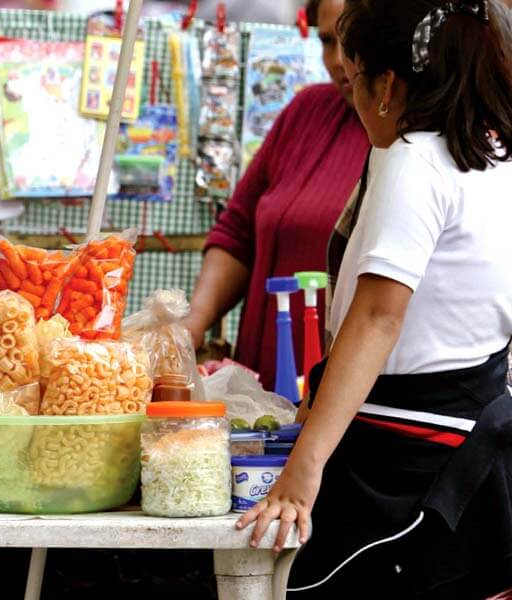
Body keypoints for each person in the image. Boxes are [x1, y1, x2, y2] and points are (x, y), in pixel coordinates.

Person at [237, 0, 512, 597]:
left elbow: (377, 317)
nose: (352, 93)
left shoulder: (413, 161)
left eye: (355, 75)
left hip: (405, 454)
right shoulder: (493, 154)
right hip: (471, 433)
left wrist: (302, 470)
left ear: (386, 85)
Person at [183, 0, 370, 390]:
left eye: (351, 40)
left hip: (340, 395)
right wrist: (193, 323)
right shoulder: (307, 110)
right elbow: (238, 232)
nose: (338, 60)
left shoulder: (406, 139)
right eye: (326, 41)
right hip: (260, 383)